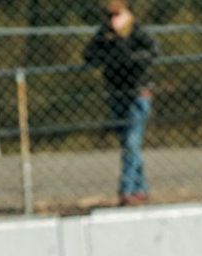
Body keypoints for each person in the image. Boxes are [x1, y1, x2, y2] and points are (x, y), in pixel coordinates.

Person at [83, 1, 158, 206]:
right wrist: (111, 47)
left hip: (137, 94)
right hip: (116, 93)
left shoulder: (137, 31)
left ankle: (126, 190)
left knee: (132, 142)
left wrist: (123, 53)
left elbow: (152, 52)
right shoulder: (105, 34)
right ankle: (140, 189)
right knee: (128, 143)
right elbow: (90, 56)